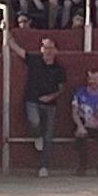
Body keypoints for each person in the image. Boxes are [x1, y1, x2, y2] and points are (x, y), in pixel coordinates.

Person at [9, 33, 67, 178]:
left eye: (50, 48)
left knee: (49, 137)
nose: (47, 50)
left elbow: (61, 89)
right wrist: (7, 32)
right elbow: (16, 48)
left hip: (51, 104)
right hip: (32, 101)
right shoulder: (34, 60)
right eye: (44, 47)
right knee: (34, 122)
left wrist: (50, 97)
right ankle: (37, 136)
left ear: (55, 51)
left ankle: (44, 166)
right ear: (41, 50)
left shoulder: (59, 68)